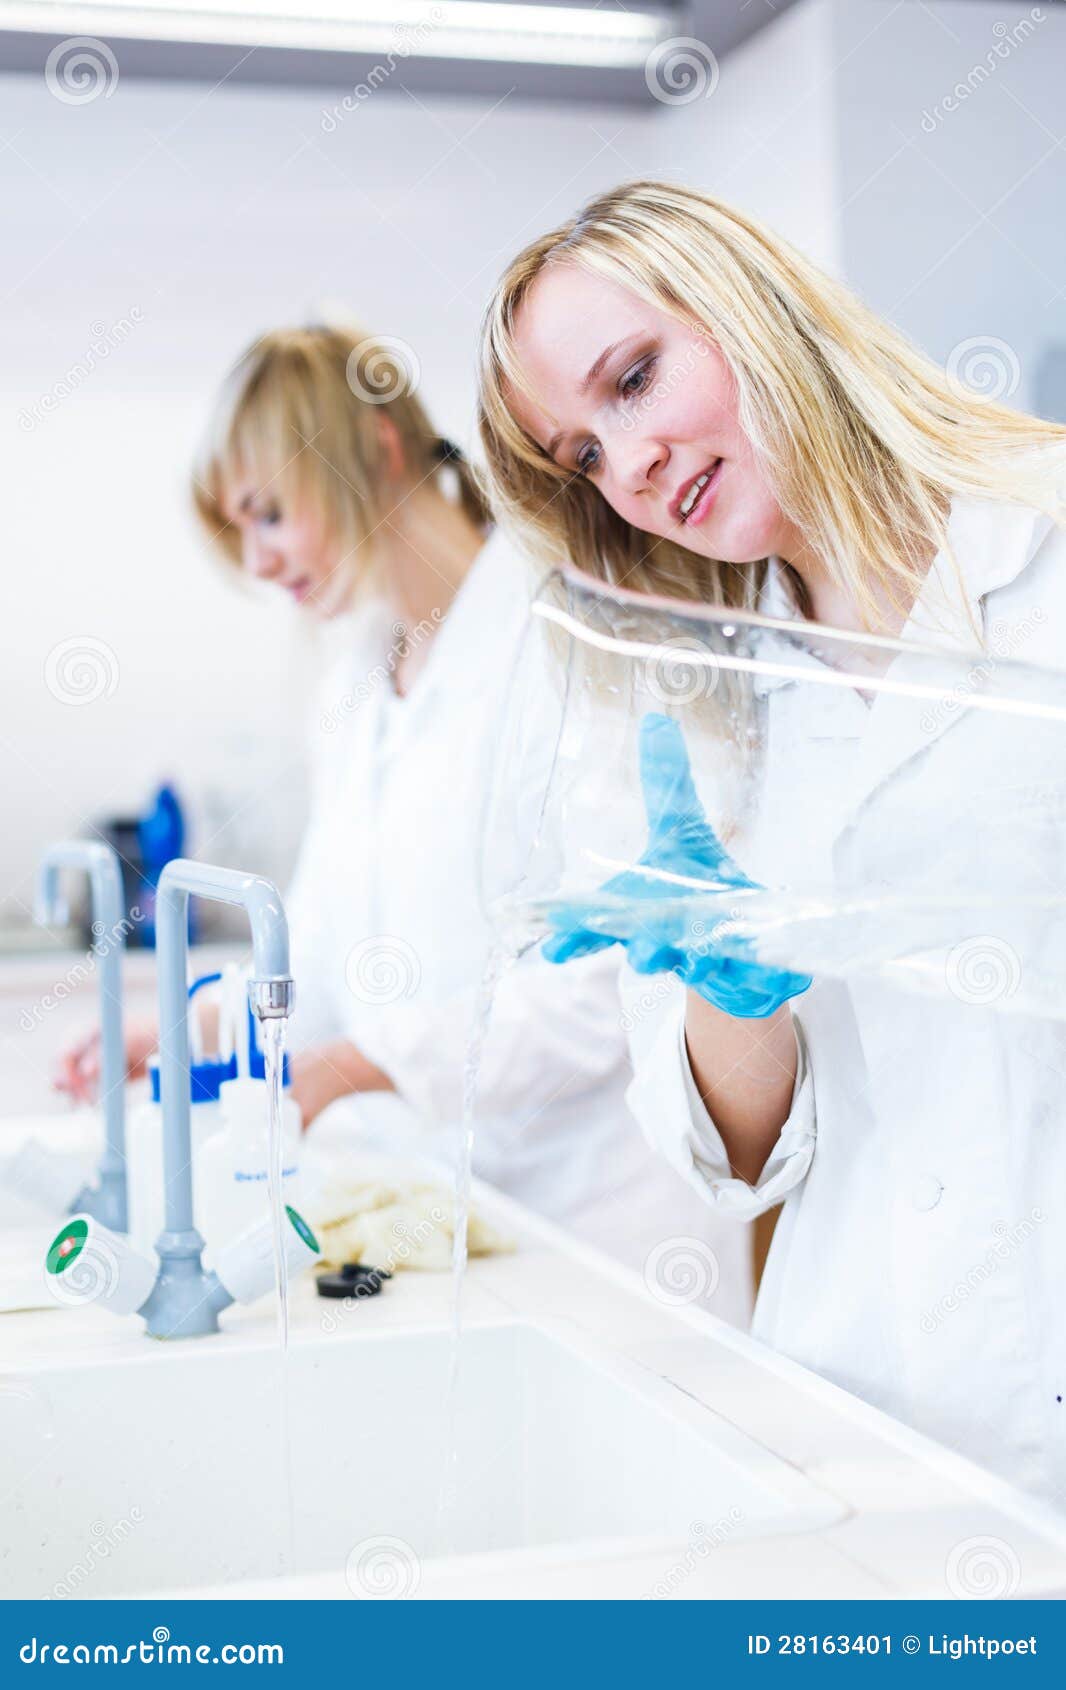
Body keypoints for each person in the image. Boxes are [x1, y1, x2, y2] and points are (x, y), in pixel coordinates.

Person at [476, 178, 1066, 1500]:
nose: (623, 466)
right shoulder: (687, 694)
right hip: (852, 1395)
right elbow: (740, 1156)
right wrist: (724, 976)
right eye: (579, 455)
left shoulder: (1044, 529)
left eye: (631, 379)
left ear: (753, 308)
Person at [56, 322, 751, 1313]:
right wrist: (195, 1022)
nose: (258, 561)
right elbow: (334, 943)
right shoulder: (353, 682)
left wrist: (359, 1064)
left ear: (377, 444)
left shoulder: (564, 627)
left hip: (599, 1229)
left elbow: (619, 967)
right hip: (436, 1217)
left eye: (267, 514)